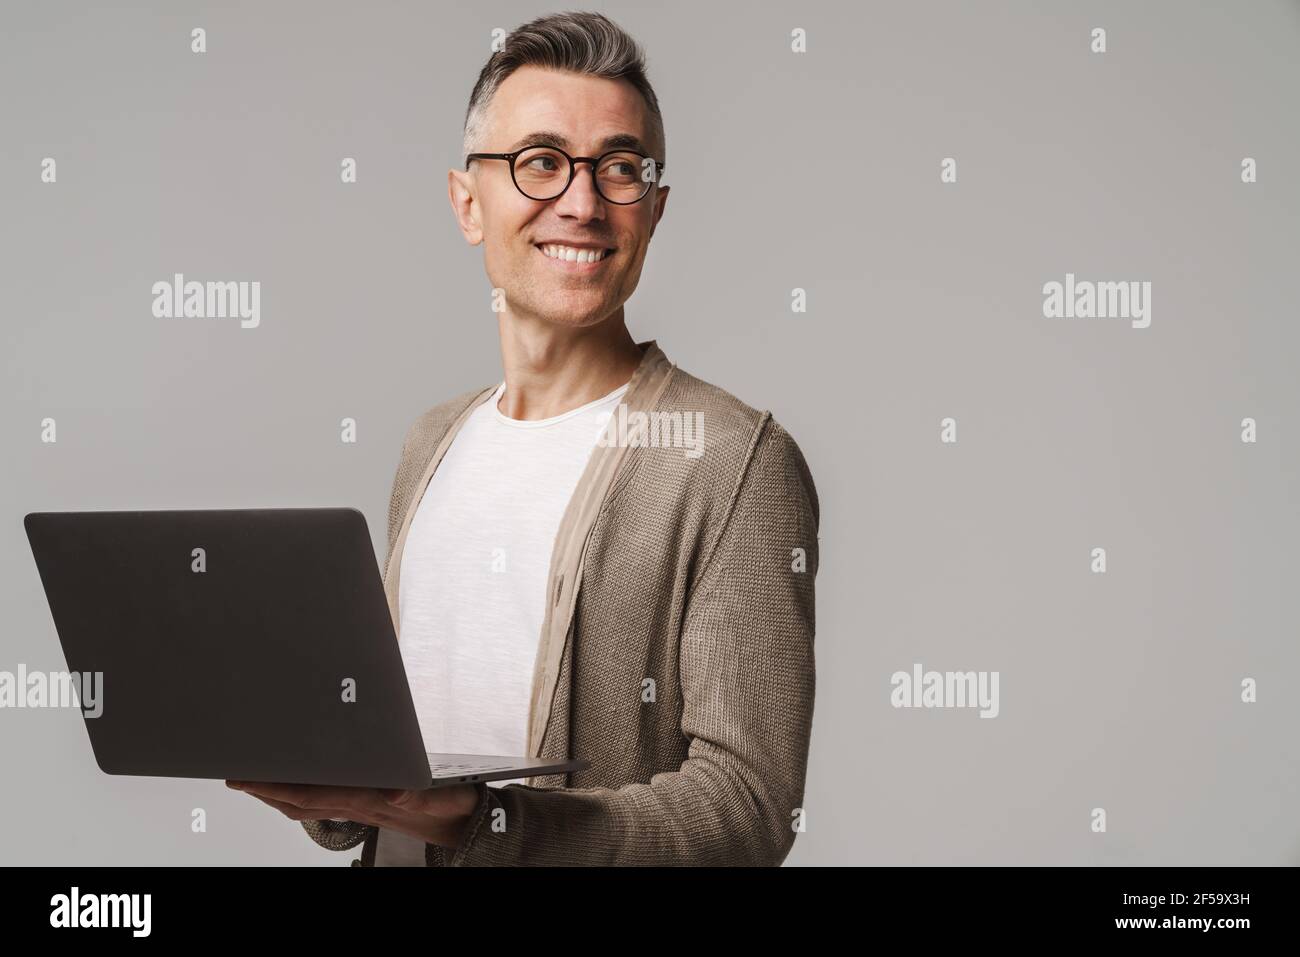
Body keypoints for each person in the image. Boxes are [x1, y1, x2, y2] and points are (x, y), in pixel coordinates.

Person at [230, 10, 819, 866]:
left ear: (653, 210)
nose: (581, 203)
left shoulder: (733, 460)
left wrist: (482, 823)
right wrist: (327, 776)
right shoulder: (431, 442)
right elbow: (398, 767)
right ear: (469, 203)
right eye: (541, 162)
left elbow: (747, 811)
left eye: (619, 169)